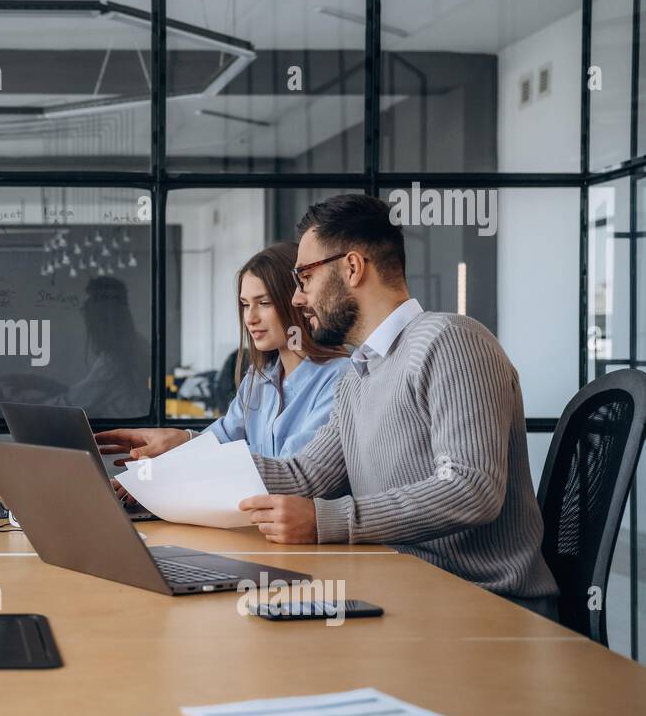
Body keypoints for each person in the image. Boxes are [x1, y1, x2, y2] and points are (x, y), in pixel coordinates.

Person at [234, 194, 558, 616]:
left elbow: (471, 488)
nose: (297, 298)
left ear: (352, 268)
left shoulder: (449, 340)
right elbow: (305, 475)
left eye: (304, 277)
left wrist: (327, 521)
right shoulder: (359, 374)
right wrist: (180, 465)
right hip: (408, 589)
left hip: (484, 603)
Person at [95, 242, 349, 462]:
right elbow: (224, 438)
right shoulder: (258, 378)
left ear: (296, 300)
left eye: (264, 303)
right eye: (245, 304)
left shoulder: (339, 378)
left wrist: (180, 459)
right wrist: (171, 453)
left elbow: (294, 469)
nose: (250, 318)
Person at [2, 275, 150, 418]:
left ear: (102, 320)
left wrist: (21, 407)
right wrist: (39, 383)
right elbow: (86, 394)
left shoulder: (113, 362)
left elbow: (73, 405)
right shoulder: (137, 345)